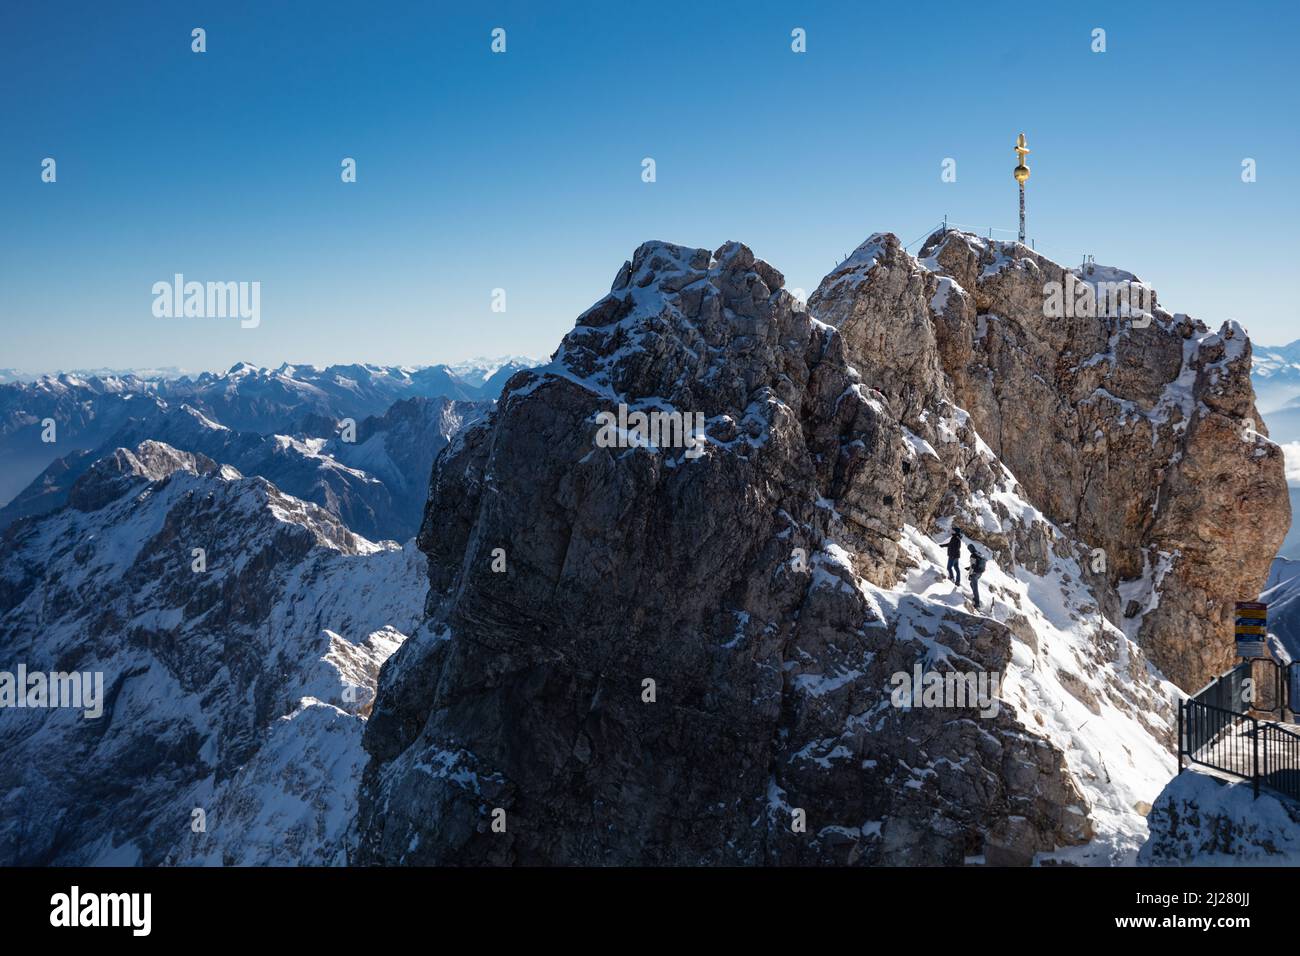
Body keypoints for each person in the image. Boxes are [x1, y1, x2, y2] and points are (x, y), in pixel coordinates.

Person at [968, 544, 987, 608]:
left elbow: (972, 566)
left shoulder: (973, 555)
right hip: (980, 573)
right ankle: (975, 597)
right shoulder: (979, 553)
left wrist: (970, 575)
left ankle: (977, 603)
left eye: (969, 549)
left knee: (975, 587)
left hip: (975, 573)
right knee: (971, 584)